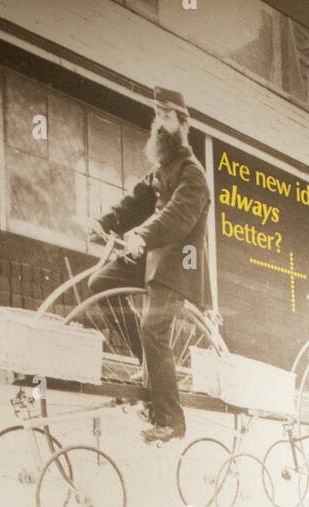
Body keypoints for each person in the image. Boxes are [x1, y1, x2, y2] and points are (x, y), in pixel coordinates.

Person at [88, 86, 211, 443]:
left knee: (154, 328)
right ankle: (146, 370)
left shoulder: (192, 174)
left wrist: (142, 235)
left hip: (177, 262)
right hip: (150, 254)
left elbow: (177, 217)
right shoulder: (162, 168)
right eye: (157, 115)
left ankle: (172, 419)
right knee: (100, 284)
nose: (160, 123)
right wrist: (105, 222)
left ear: (183, 124)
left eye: (168, 116)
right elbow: (136, 201)